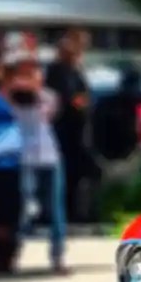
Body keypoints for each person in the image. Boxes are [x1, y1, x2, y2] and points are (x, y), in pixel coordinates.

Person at [3, 47, 68, 274]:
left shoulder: (47, 95)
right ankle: (12, 253)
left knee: (55, 209)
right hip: (24, 156)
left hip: (49, 156)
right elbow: (6, 102)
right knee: (24, 207)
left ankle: (57, 255)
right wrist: (14, 85)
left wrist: (34, 87)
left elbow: (48, 109)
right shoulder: (10, 96)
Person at [44, 30, 91, 222]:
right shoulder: (56, 71)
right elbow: (67, 97)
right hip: (62, 129)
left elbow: (83, 94)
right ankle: (60, 212)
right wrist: (78, 102)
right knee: (63, 173)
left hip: (77, 131)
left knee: (76, 174)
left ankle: (73, 212)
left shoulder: (75, 71)